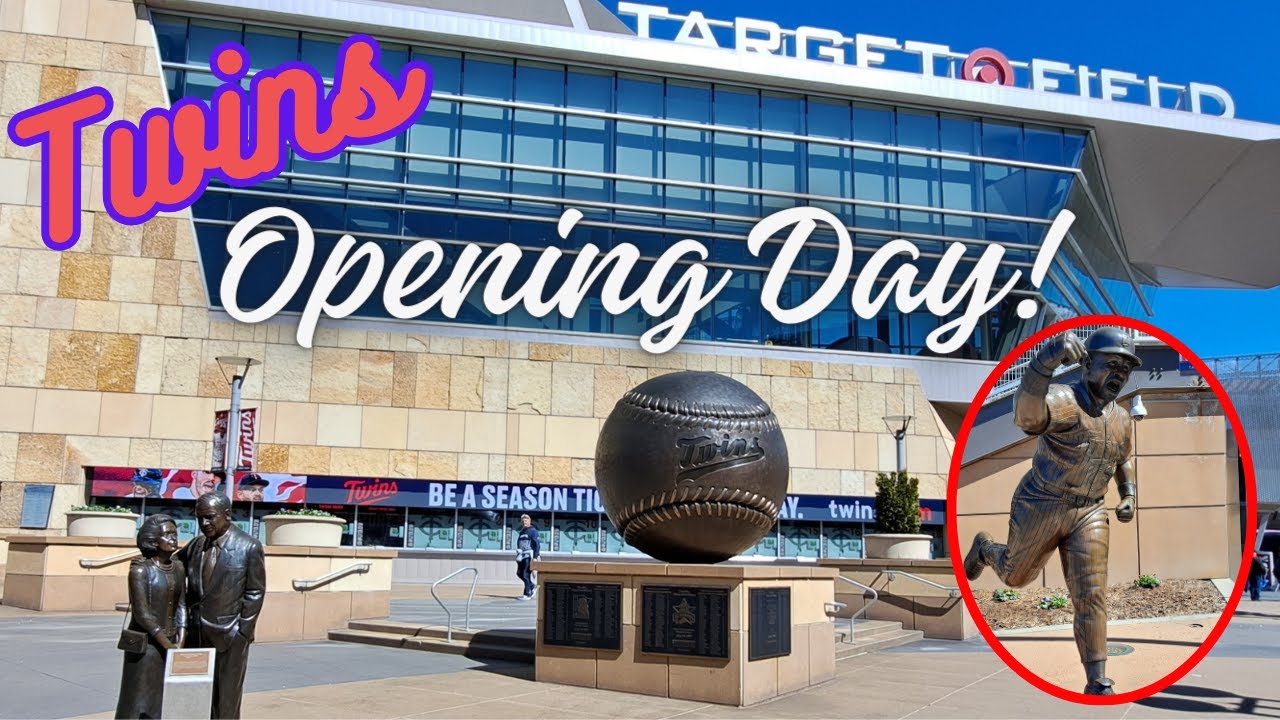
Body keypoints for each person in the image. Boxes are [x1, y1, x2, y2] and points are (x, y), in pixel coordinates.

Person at [963, 327, 1140, 696]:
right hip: (1041, 502)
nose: (1120, 374)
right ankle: (985, 549)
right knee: (1015, 577)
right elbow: (1026, 419)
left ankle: (1097, 679)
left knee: (1091, 593)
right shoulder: (1063, 399)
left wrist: (1128, 494)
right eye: (1112, 364)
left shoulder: (1122, 418)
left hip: (1090, 511)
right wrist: (1044, 362)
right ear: (1087, 364)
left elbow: (1124, 460)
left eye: (1126, 368)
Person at [176, 493, 265, 719]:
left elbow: (255, 591)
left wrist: (243, 631)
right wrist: (149, 559)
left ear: (227, 515)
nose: (204, 524)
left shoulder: (249, 547)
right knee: (194, 694)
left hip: (230, 634)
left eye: (209, 517)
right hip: (196, 634)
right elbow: (173, 562)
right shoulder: (196, 545)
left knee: (226, 697)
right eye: (199, 518)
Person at [115, 514, 186, 720]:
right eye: (167, 535)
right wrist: (166, 643)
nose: (173, 539)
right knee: (138, 697)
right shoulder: (140, 570)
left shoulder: (178, 568)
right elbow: (142, 614)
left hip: (171, 642)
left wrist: (180, 638)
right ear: (154, 540)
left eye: (175, 534)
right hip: (148, 646)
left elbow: (182, 605)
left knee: (161, 696)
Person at [514, 514, 541, 600]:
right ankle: (532, 586)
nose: (524, 522)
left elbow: (536, 543)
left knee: (526, 574)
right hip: (521, 556)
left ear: (529, 521)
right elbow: (519, 543)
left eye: (526, 520)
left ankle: (528, 593)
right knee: (519, 573)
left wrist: (536, 556)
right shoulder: (522, 531)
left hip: (529, 555)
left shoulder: (533, 531)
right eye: (522, 521)